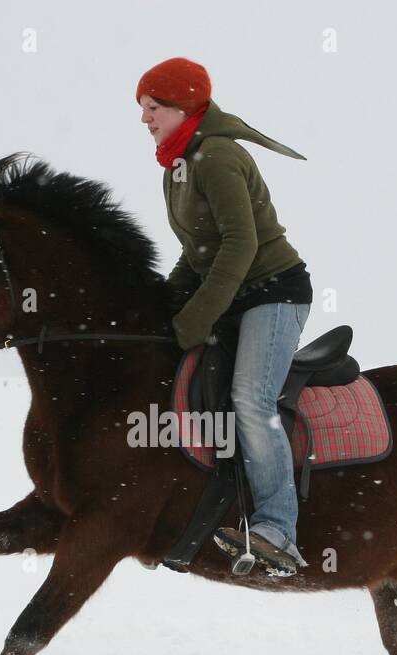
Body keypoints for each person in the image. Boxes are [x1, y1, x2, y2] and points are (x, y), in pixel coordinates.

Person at [137, 56, 313, 576]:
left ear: (184, 106)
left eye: (154, 107)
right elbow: (197, 254)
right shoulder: (178, 168)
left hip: (273, 294)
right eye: (143, 108)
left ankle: (278, 529)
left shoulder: (216, 157)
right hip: (235, 294)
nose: (145, 119)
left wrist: (194, 320)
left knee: (250, 399)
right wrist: (162, 307)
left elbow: (241, 244)